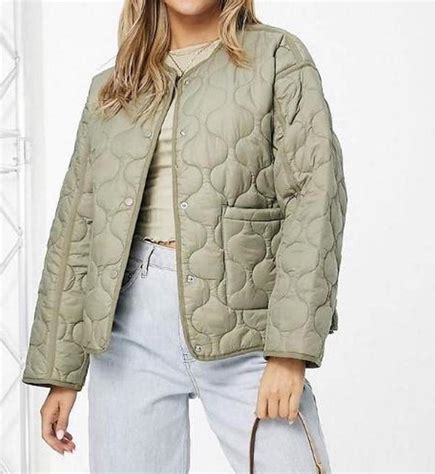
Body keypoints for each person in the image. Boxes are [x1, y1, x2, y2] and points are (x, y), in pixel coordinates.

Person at [22, 0, 347, 472]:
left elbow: (315, 199)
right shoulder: (113, 87)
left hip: (248, 329)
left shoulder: (277, 57)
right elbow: (77, 226)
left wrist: (288, 352)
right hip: (128, 330)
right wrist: (62, 372)